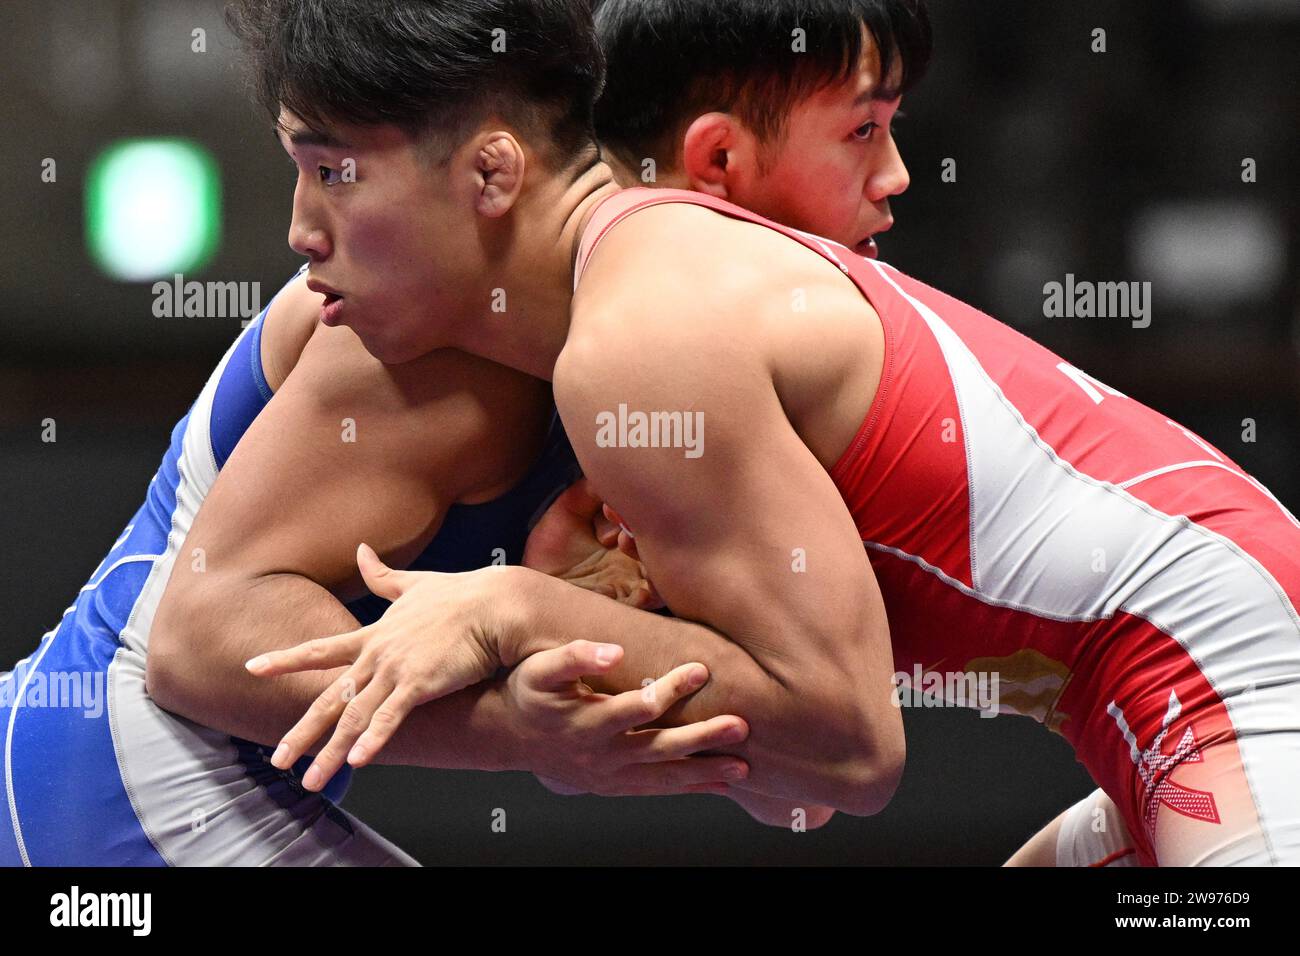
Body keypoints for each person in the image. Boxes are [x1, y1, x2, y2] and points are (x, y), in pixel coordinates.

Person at [244, 0, 1300, 867]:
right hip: (1171, 706)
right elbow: (800, 794)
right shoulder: (655, 297)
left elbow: (851, 751)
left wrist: (514, 608)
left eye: (332, 171)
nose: (299, 230)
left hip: (1232, 688)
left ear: (490, 172)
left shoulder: (640, 336)